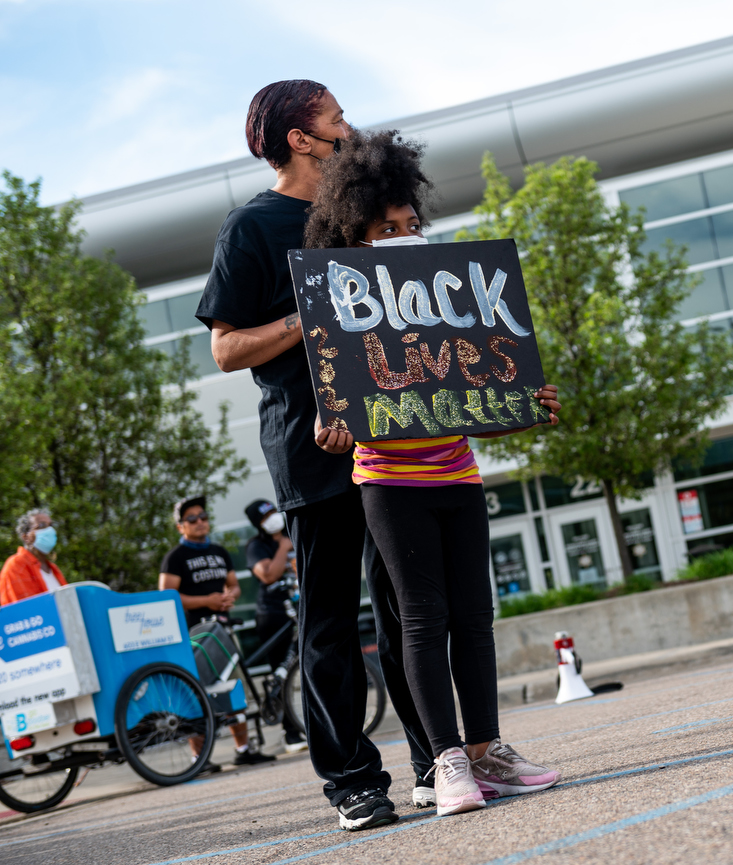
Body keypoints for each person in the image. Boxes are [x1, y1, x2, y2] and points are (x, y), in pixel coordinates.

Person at [195, 79, 434, 831]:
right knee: (329, 621)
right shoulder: (254, 227)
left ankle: (440, 760)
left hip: (394, 437)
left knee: (410, 610)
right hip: (313, 444)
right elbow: (226, 347)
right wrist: (309, 315)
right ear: (300, 138)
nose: (348, 127)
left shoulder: (362, 214)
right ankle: (353, 782)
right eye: (336, 118)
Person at [302, 130, 564, 816]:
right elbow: (332, 418)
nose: (401, 236)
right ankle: (447, 762)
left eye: (410, 225)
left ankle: (487, 752)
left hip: (458, 475)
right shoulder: (337, 312)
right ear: (353, 237)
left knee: (476, 617)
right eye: (384, 228)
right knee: (422, 617)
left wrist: (525, 407)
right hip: (389, 480)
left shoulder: (448, 295)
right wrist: (331, 433)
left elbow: (477, 403)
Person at [160, 496, 275, 770]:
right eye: (192, 519)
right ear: (180, 527)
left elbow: (233, 585)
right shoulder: (176, 557)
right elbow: (166, 596)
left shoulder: (220, 551)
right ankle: (199, 759)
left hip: (221, 631)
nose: (200, 522)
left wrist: (227, 597)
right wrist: (206, 602)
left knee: (234, 688)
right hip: (193, 635)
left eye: (203, 517)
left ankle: (244, 749)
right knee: (196, 693)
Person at [244, 499, 306, 753]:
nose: (272, 517)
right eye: (264, 516)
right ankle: (290, 732)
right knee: (281, 668)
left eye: (272, 511)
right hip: (272, 613)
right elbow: (267, 574)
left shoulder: (294, 531)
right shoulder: (257, 546)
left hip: (301, 607)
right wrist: (282, 547)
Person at [0, 509, 66, 606]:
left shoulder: (53, 569)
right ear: (25, 537)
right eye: (42, 525)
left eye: (50, 525)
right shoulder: (16, 565)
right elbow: (26, 613)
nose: (50, 530)